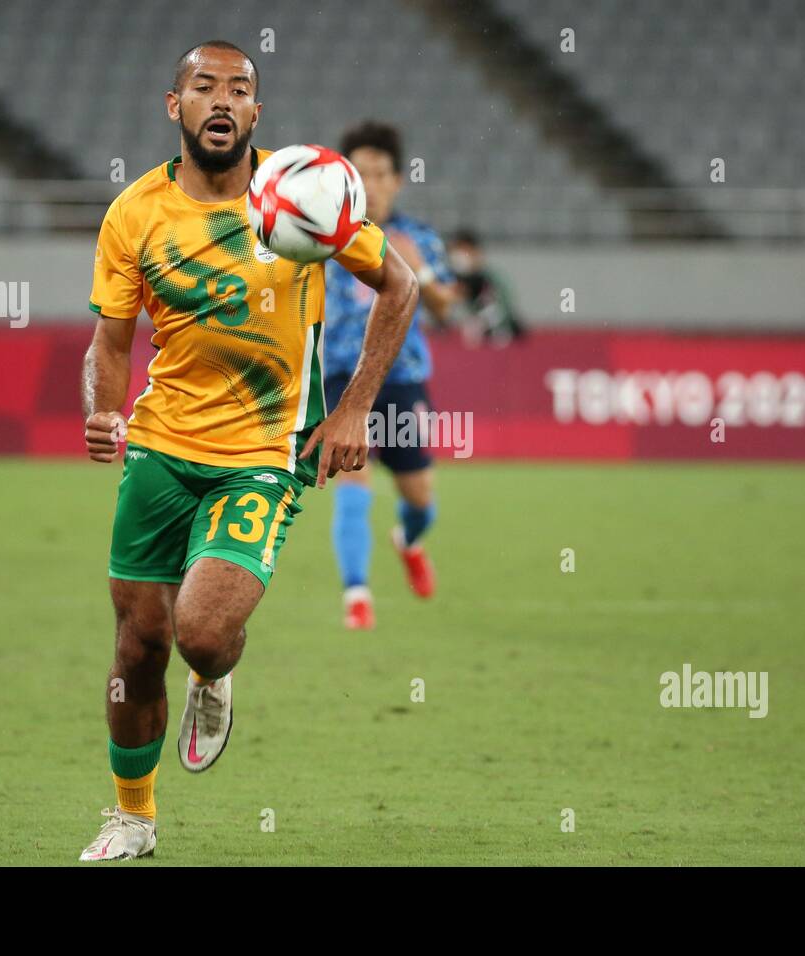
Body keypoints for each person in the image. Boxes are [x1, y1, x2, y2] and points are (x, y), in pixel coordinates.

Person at [78, 42, 417, 860]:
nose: (221, 100)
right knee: (137, 643)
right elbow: (110, 343)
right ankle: (132, 817)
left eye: (239, 88)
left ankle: (215, 671)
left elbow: (399, 285)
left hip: (266, 450)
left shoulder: (302, 190)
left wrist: (353, 409)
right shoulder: (135, 213)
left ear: (256, 114)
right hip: (160, 447)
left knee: (198, 632)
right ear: (176, 106)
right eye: (205, 87)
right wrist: (101, 408)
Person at [323, 121, 459, 630]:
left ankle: (409, 539)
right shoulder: (321, 237)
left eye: (380, 173)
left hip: (401, 379)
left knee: (420, 499)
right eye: (359, 173)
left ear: (397, 180)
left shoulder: (418, 238)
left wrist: (421, 272)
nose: (370, 183)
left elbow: (446, 311)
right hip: (341, 377)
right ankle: (356, 595)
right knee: (352, 481)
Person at [448, 228, 527, 347]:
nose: (458, 256)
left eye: (463, 250)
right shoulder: (455, 279)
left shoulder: (490, 279)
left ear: (475, 252)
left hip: (499, 336)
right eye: (456, 250)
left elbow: (505, 309)